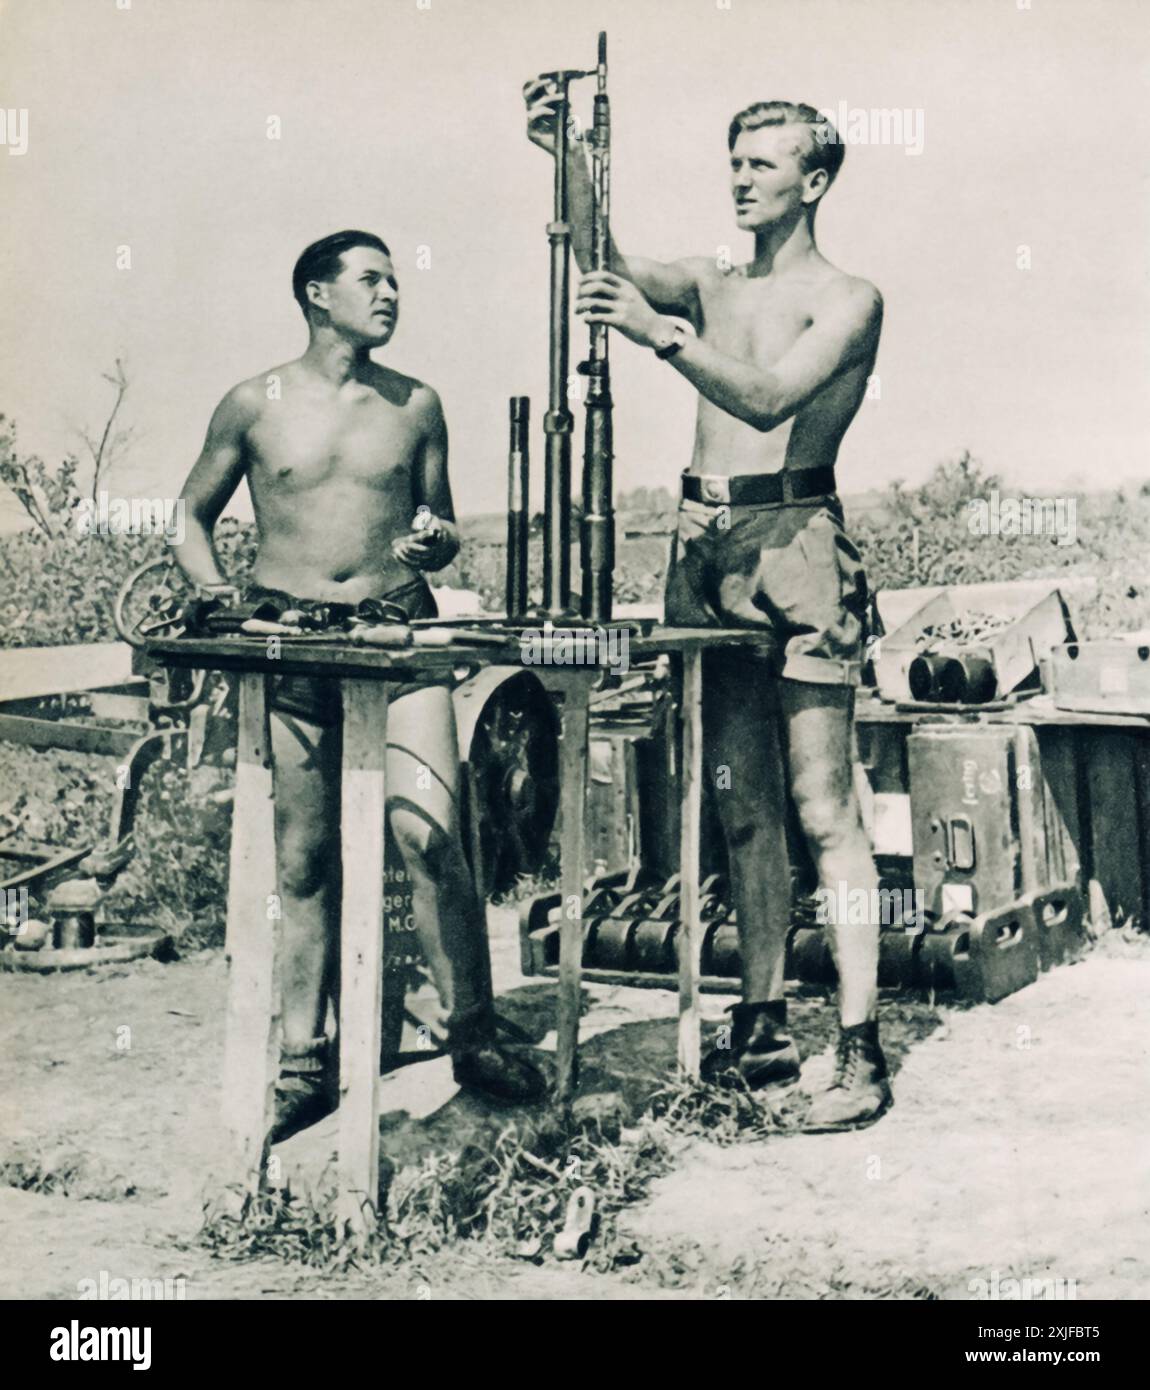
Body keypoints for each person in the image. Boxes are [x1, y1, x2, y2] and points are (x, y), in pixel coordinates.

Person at [523, 89, 890, 1130]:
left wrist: (658, 338)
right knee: (740, 809)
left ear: (812, 180)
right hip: (702, 553)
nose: (741, 178)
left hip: (798, 549)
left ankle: (858, 1047)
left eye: (763, 164)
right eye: (733, 160)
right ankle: (762, 1026)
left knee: (824, 809)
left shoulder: (849, 297)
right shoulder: (705, 278)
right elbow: (604, 258)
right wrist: (570, 155)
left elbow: (772, 400)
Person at [173, 230, 546, 1139]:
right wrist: (217, 599)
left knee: (429, 835)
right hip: (292, 645)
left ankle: (473, 1036)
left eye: (394, 282)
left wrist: (435, 543)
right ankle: (305, 1060)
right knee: (301, 859)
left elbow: (441, 521)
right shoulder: (252, 404)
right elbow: (189, 514)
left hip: (398, 635)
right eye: (370, 281)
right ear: (315, 295)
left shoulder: (416, 405)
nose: (389, 296)